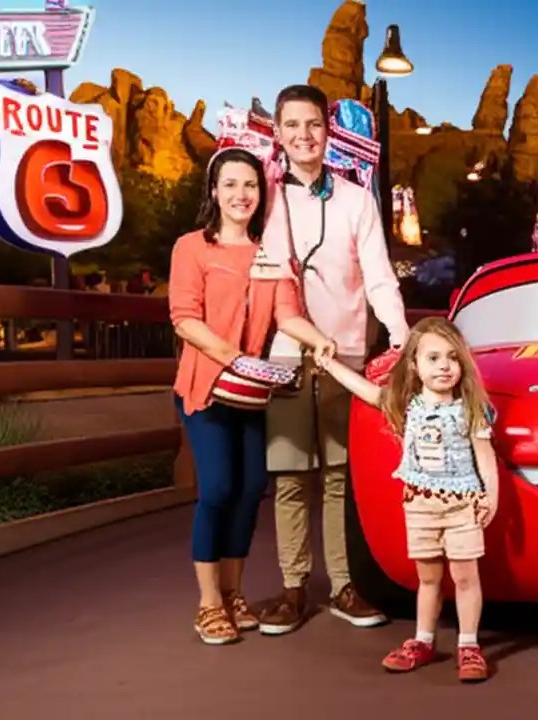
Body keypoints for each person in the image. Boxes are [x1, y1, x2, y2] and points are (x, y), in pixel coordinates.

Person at [255, 84, 411, 635]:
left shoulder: (354, 198)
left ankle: (344, 584)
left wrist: (400, 339)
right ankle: (294, 587)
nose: (304, 135)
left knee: (342, 476)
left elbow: (378, 276)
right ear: (278, 132)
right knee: (292, 477)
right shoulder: (265, 198)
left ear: (328, 131)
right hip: (284, 355)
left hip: (345, 354)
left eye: (314, 125)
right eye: (292, 125)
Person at [169, 147, 338, 645]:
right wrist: (232, 356)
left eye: (250, 185)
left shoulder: (270, 254)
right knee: (218, 488)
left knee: (249, 491)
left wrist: (317, 338)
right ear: (214, 192)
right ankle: (208, 603)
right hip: (206, 385)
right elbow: (184, 316)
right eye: (230, 185)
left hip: (250, 393)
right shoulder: (193, 248)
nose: (241, 194)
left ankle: (234, 594)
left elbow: (286, 315)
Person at [317, 315, 498, 682]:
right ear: (414, 365)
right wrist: (328, 363)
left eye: (452, 357)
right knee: (428, 578)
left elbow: (484, 454)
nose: (445, 366)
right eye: (433, 358)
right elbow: (364, 390)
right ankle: (423, 640)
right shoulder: (406, 406)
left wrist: (489, 496)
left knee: (465, 576)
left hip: (463, 504)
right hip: (420, 505)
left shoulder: (471, 408)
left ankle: (468, 645)